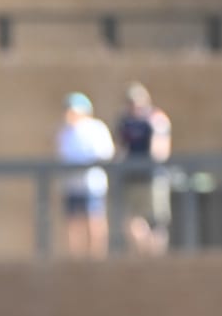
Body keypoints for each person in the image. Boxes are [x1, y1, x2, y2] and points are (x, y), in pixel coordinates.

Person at [114, 82, 172, 256]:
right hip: (131, 178)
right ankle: (141, 255)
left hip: (152, 177)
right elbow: (120, 149)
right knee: (132, 220)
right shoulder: (124, 122)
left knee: (156, 222)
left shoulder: (155, 119)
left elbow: (160, 151)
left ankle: (156, 257)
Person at [56, 91, 115, 259]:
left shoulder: (96, 128)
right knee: (73, 222)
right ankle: (76, 260)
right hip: (71, 184)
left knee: (94, 220)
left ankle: (97, 258)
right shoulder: (65, 132)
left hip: (92, 184)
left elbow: (106, 153)